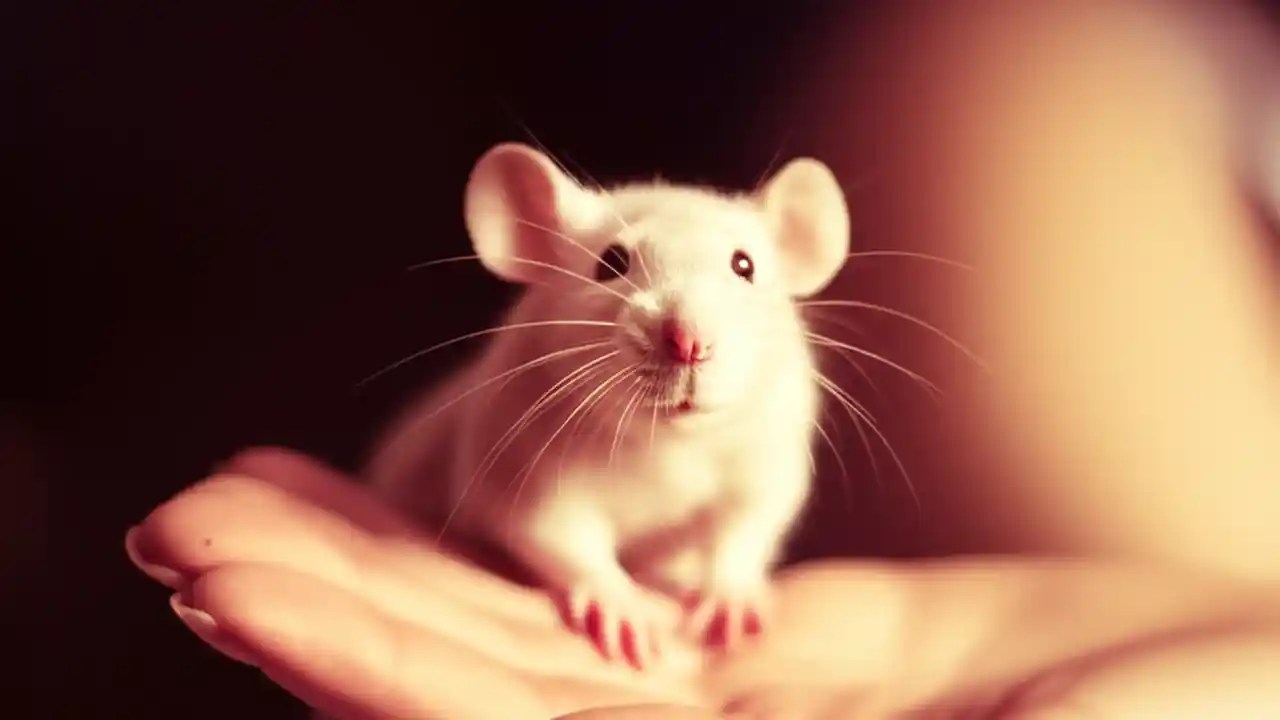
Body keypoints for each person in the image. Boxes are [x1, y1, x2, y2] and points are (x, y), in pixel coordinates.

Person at [125, 0, 1280, 717]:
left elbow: (761, 487)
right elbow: (531, 500)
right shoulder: (529, 371)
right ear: (531, 241)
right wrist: (588, 576)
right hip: (440, 518)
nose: (684, 329)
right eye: (617, 270)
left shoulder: (784, 372)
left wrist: (733, 565)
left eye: (736, 273)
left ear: (790, 253)